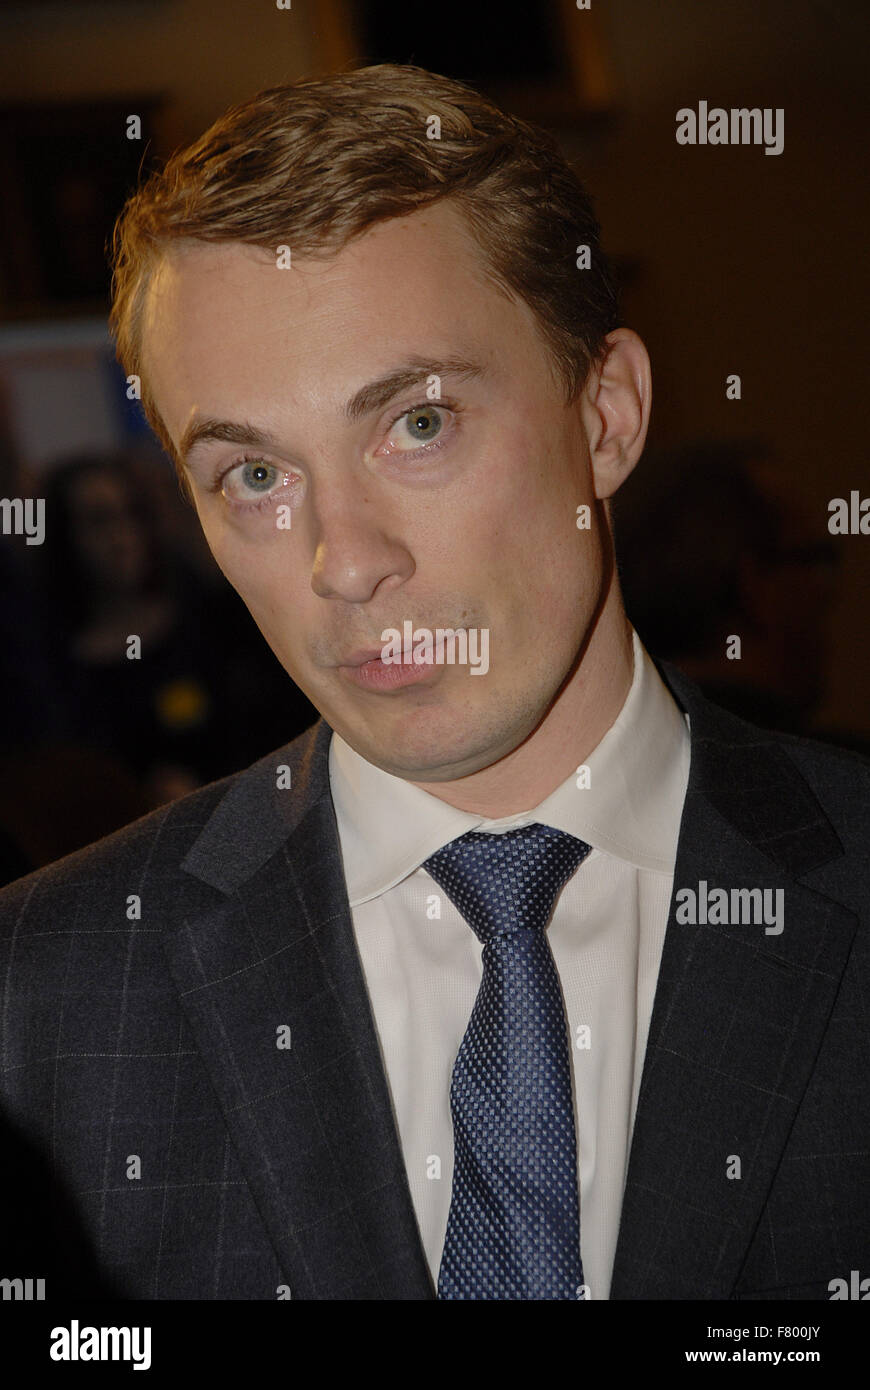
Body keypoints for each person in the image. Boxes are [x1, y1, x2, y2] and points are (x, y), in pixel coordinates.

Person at [0, 63, 866, 1302]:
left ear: (607, 414)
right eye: (254, 476)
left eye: (417, 424)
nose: (344, 562)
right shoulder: (41, 1000)